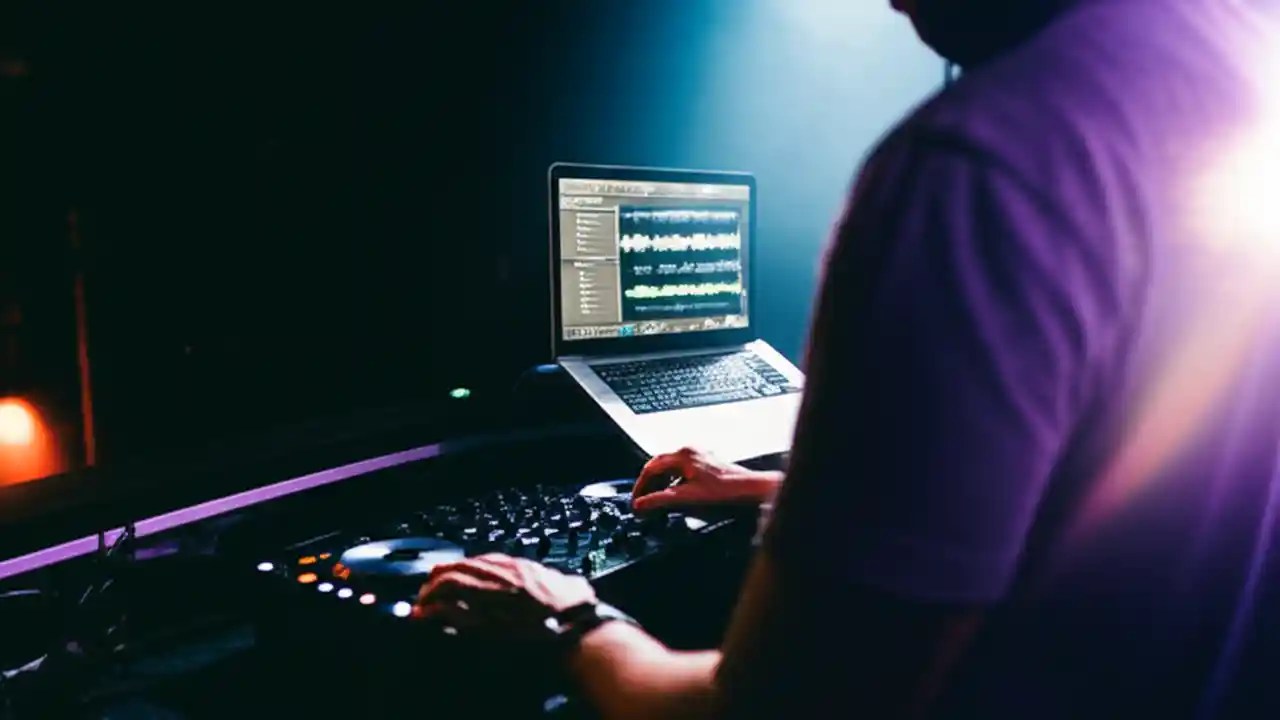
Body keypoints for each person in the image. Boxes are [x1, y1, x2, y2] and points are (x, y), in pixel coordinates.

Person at [417, 0, 1280, 717]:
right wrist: (776, 492)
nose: (892, 2)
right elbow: (1120, 495)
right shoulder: (1243, 62)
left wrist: (570, 622)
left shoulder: (987, 159)